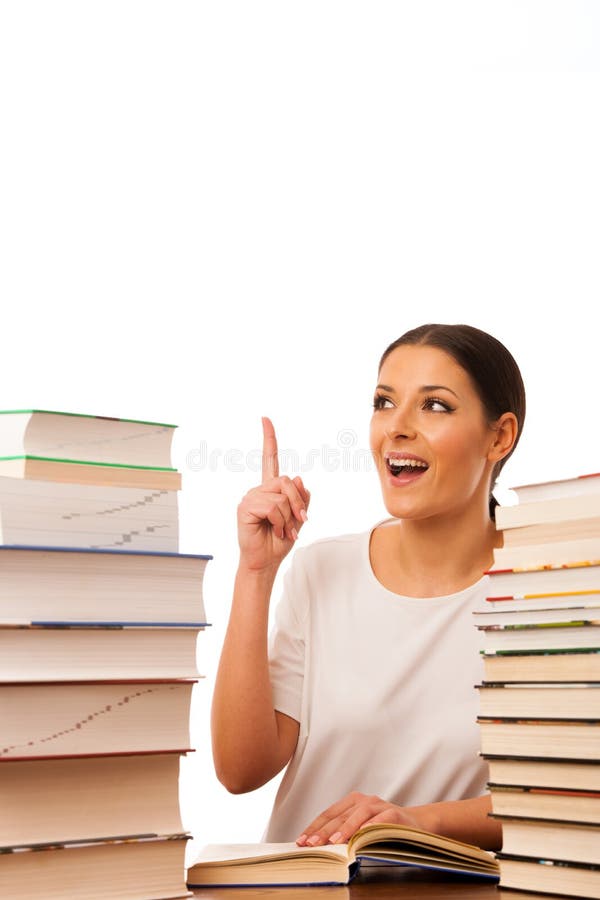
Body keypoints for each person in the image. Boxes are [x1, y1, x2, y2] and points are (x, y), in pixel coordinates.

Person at [211, 323, 525, 851]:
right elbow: (240, 771)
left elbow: (569, 795)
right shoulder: (321, 571)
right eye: (384, 402)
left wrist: (420, 822)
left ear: (499, 437)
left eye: (435, 406)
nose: (396, 428)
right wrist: (254, 574)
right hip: (298, 882)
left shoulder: (544, 591)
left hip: (446, 888)